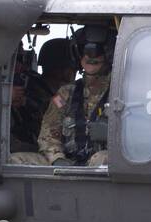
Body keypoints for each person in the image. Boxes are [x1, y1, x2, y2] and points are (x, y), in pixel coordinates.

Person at [34, 24, 116, 166]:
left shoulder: (120, 92)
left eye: (99, 50)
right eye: (85, 50)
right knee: (17, 159)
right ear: (77, 53)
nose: (91, 55)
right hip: (68, 162)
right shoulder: (65, 94)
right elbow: (48, 135)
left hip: (104, 165)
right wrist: (57, 159)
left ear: (109, 54)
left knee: (101, 159)